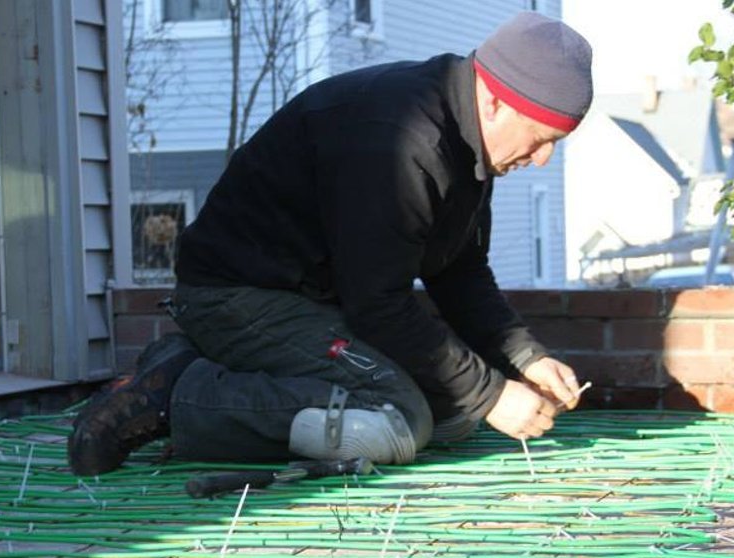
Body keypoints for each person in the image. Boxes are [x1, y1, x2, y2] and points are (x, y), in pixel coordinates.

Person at [68, 11, 593, 476]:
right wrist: (491, 392)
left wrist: (524, 358)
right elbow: (379, 304)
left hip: (316, 302)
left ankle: (198, 367)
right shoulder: (402, 137)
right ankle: (178, 393)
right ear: (496, 101)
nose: (542, 158)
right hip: (240, 297)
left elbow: (459, 272)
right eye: (541, 138)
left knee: (453, 419)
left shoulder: (470, 140)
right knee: (396, 422)